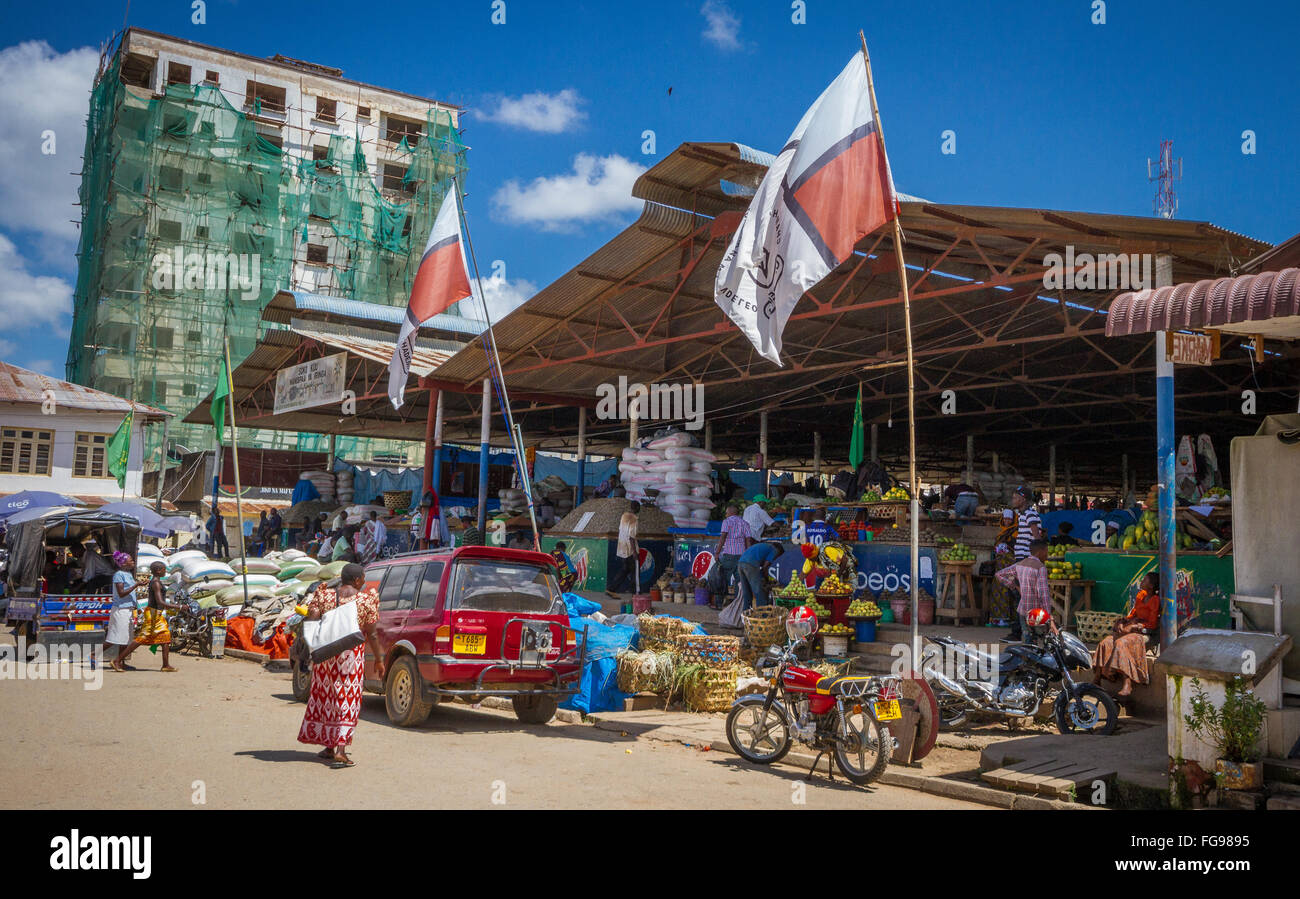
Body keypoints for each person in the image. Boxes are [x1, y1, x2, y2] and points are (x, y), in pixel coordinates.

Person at [297, 563, 384, 768]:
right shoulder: (365, 600)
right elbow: (371, 633)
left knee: (327, 696)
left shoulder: (325, 595)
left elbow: (313, 617)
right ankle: (340, 751)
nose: (364, 582)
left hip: (326, 654)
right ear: (356, 580)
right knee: (347, 699)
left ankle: (328, 746)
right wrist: (379, 660)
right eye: (362, 578)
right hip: (350, 657)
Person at [1093, 572, 1160, 699]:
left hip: (1144, 633)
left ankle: (1127, 683)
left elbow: (1152, 624)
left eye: (1145, 580)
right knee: (1105, 642)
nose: (1142, 581)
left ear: (1151, 586)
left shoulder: (1155, 600)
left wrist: (1134, 627)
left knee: (1121, 643)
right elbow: (1133, 614)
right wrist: (1123, 621)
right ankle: (1097, 679)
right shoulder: (1141, 595)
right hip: (1132, 628)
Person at [115, 561, 183, 671]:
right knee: (141, 638)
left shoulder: (157, 581)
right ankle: (117, 660)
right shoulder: (156, 583)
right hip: (153, 614)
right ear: (158, 571)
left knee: (166, 637)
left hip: (156, 614)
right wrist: (178, 607)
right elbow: (160, 602)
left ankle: (165, 665)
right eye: (164, 569)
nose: (165, 571)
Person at [995, 538, 1050, 640]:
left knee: (1028, 638)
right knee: (1040, 639)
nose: (1047, 555)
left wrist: (1014, 586)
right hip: (1036, 611)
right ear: (1041, 551)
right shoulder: (1040, 567)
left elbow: (1000, 574)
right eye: (1046, 552)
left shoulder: (1020, 564)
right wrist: (1048, 614)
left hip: (1023, 610)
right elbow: (1043, 594)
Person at [710, 503, 751, 609]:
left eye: (726, 513)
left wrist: (717, 552)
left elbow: (723, 537)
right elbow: (748, 540)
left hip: (729, 555)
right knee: (739, 581)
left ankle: (719, 604)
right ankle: (737, 606)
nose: (726, 515)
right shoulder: (745, 523)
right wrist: (748, 554)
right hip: (741, 556)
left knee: (721, 579)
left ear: (730, 513)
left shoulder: (727, 522)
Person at [106, 553, 139, 671]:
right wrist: (136, 585)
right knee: (116, 637)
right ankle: (95, 654)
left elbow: (131, 594)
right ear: (124, 563)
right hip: (121, 609)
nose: (133, 561)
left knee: (126, 638)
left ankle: (121, 662)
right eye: (130, 560)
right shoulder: (119, 575)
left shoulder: (128, 574)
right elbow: (121, 593)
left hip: (129, 609)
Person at [606, 502, 640, 595]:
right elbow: (631, 537)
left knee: (625, 570)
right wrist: (634, 552)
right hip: (630, 550)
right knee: (635, 572)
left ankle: (611, 588)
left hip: (622, 549)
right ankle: (635, 591)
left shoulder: (624, 516)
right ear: (637, 508)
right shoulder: (634, 519)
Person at [737, 539, 782, 610]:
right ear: (779, 552)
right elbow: (765, 567)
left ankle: (745, 617)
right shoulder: (774, 550)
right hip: (750, 564)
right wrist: (767, 579)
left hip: (740, 563)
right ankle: (762, 616)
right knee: (759, 594)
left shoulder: (764, 546)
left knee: (747, 594)